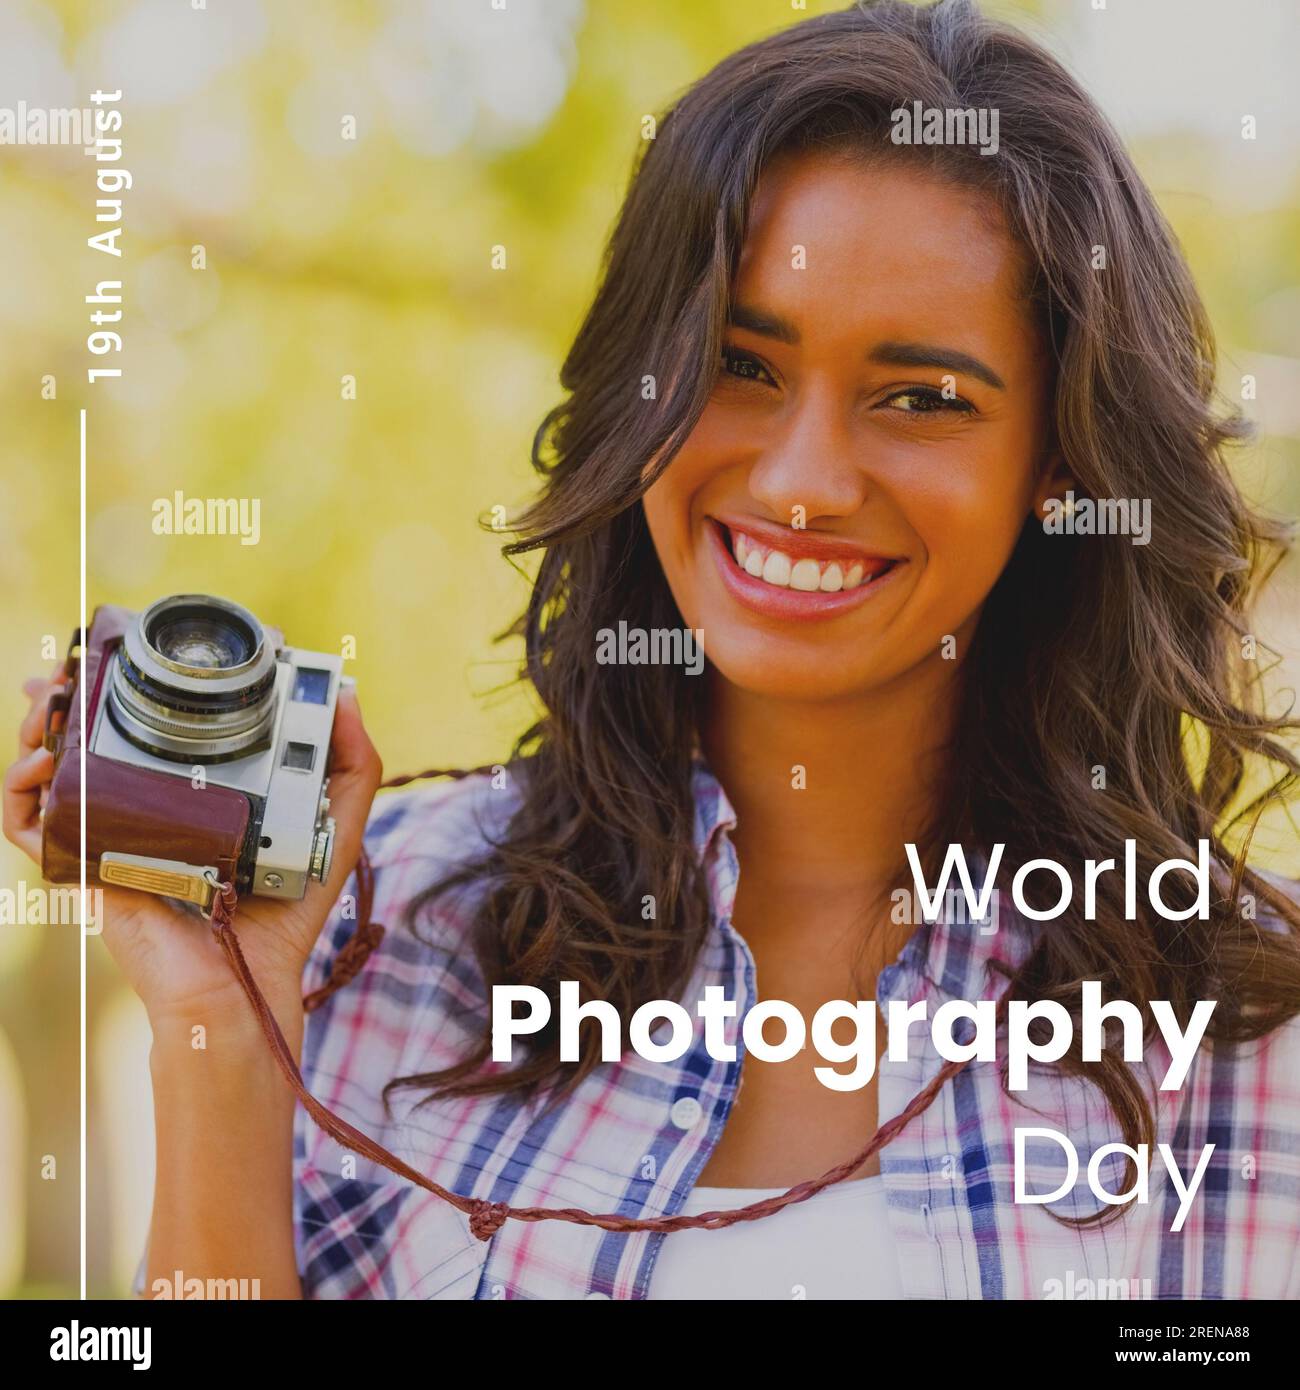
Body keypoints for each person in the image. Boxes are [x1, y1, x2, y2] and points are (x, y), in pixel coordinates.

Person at [7, 0, 1299, 1300]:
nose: (802, 480)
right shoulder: (381, 928)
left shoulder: (1240, 1026)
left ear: (1060, 468)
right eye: (739, 366)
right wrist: (220, 1027)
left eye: (922, 398)